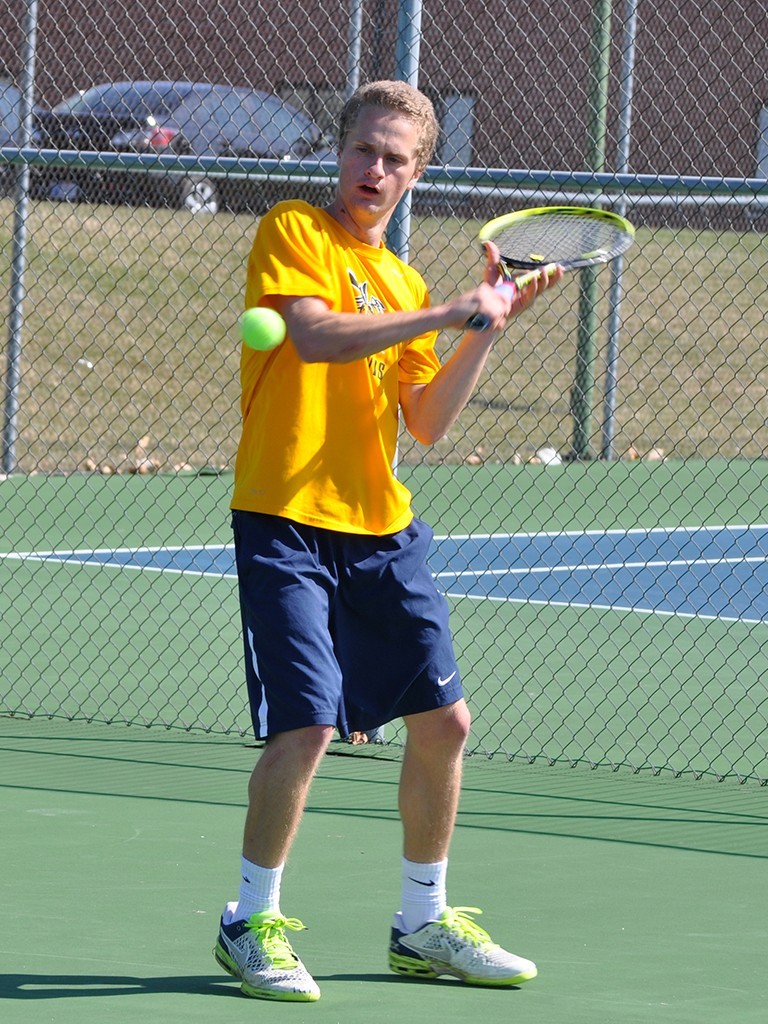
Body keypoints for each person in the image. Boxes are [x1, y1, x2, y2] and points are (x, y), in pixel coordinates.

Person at [213, 79, 562, 1002]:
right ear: (340, 153)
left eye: (395, 158)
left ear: (417, 173)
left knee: (445, 722)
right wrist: (449, 313)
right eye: (364, 149)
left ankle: (423, 923)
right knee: (308, 725)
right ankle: (249, 922)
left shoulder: (404, 282)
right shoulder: (293, 229)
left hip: (383, 528)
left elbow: (427, 421)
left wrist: (484, 332)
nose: (375, 169)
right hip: (285, 518)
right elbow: (319, 338)